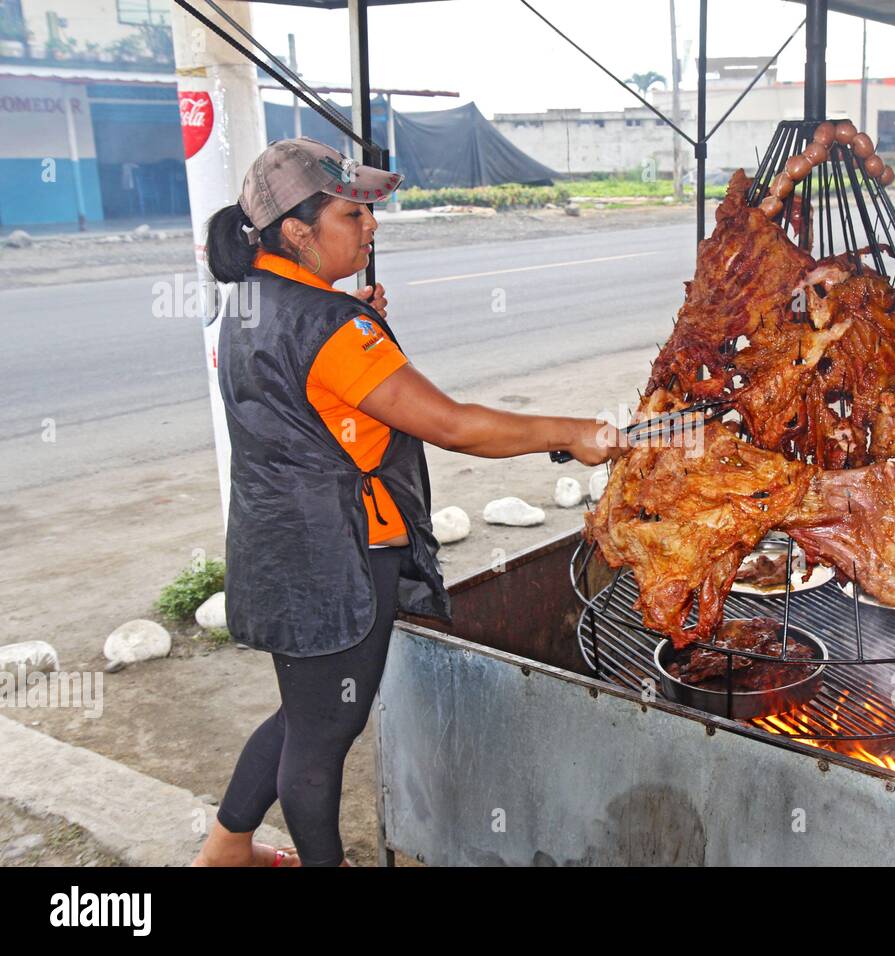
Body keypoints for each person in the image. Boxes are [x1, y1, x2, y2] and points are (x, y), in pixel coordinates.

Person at [190, 137, 624, 867]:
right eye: (352, 214)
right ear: (297, 231)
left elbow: (301, 390)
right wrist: (576, 431)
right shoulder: (332, 327)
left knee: (308, 712)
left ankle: (226, 848)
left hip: (275, 544)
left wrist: (347, 318)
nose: (371, 226)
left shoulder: (253, 300)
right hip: (335, 560)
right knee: (326, 736)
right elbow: (453, 425)